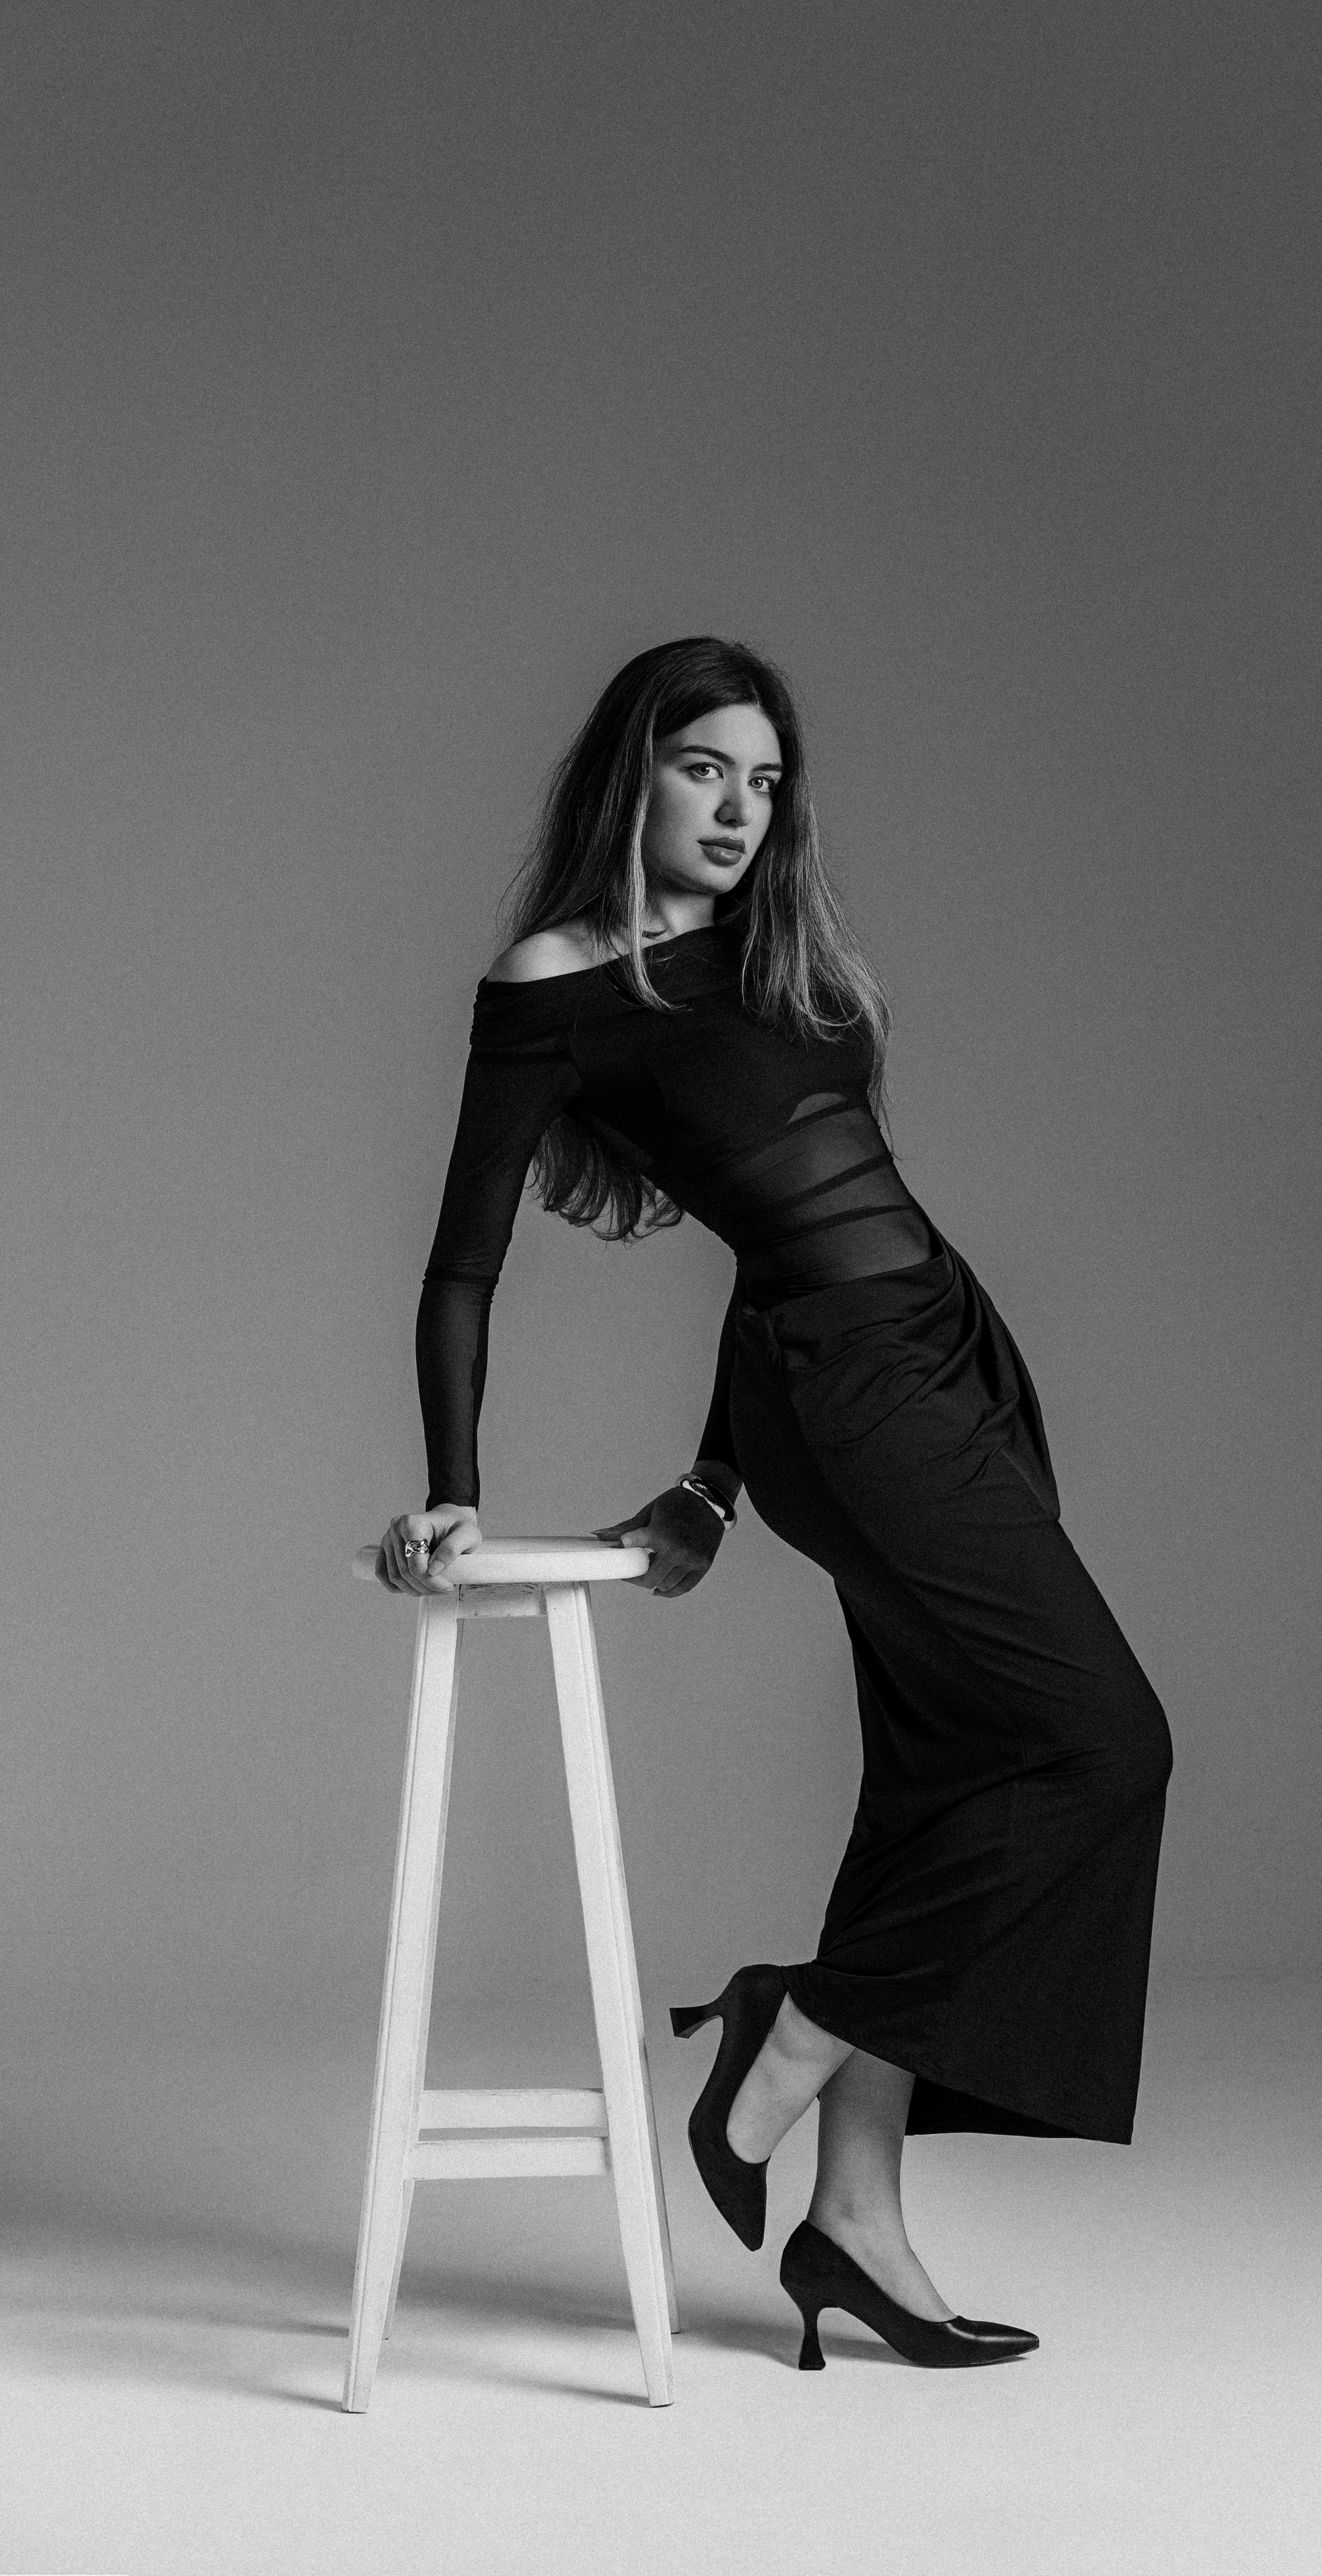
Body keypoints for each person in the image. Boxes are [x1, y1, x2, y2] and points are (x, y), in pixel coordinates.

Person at [377, 637, 1173, 2371]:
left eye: (764, 780)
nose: (739, 810)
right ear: (633, 773)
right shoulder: (555, 983)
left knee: (949, 1778)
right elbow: (461, 1267)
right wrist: (455, 1490)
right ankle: (789, 2031)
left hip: (946, 1354)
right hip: (853, 1390)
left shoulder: (778, 958)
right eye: (703, 770)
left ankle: (855, 2225)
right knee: (1104, 1741)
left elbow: (777, 1257)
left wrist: (713, 1487)